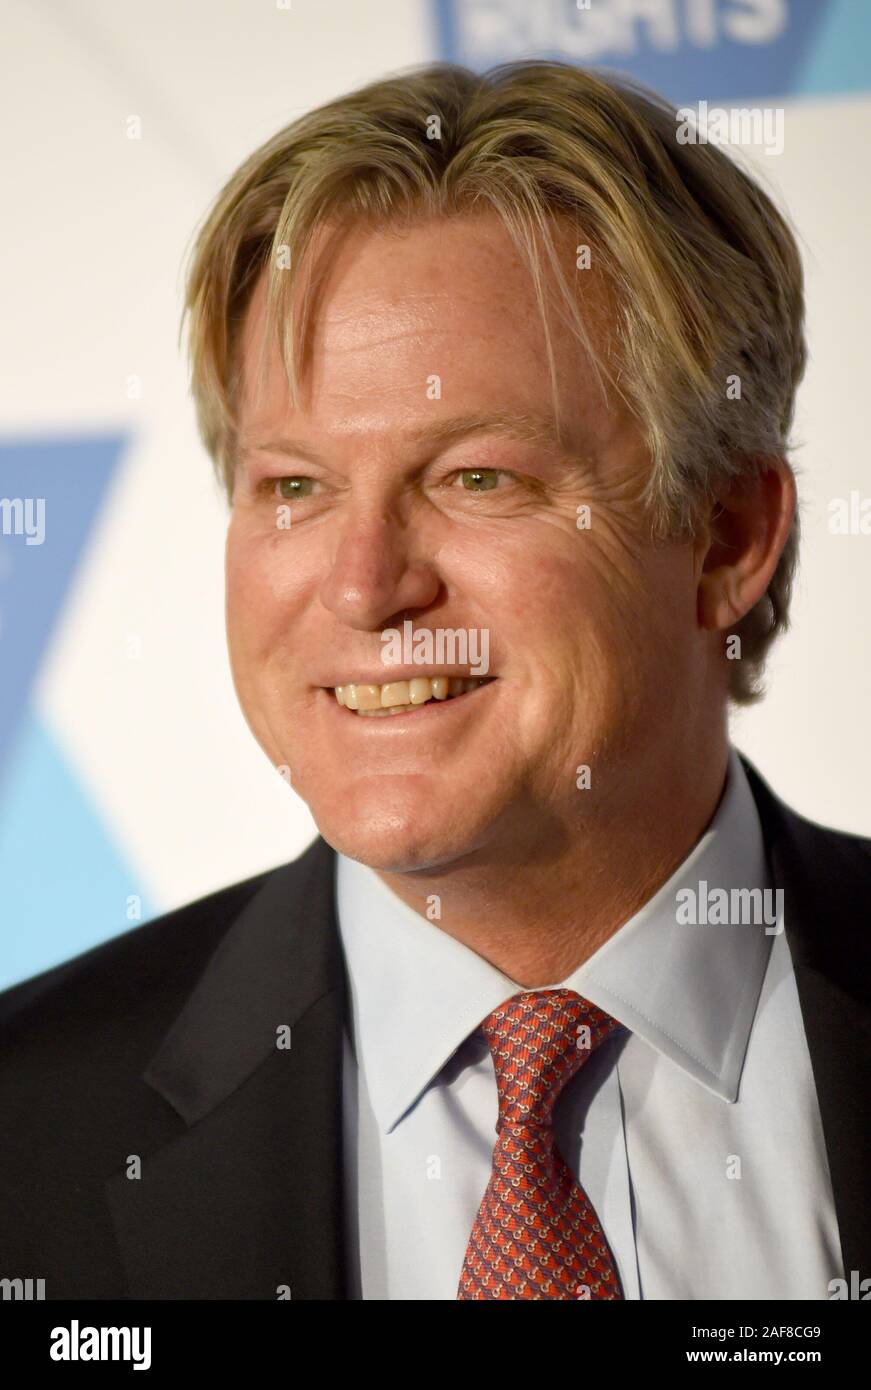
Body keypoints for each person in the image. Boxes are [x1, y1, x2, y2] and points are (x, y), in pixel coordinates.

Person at [1, 60, 868, 1301]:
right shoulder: (24, 1125)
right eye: (294, 486)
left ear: (726, 535)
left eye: (476, 478)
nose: (363, 587)